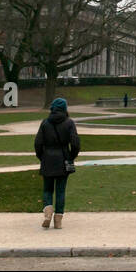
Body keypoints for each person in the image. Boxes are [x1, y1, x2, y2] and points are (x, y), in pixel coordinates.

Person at [34, 97, 81, 229]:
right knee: (60, 190)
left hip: (47, 158)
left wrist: (42, 157)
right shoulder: (69, 123)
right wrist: (71, 156)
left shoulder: (45, 123)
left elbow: (38, 143)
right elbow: (75, 144)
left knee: (47, 189)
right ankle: (58, 220)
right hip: (63, 158)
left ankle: (48, 212)